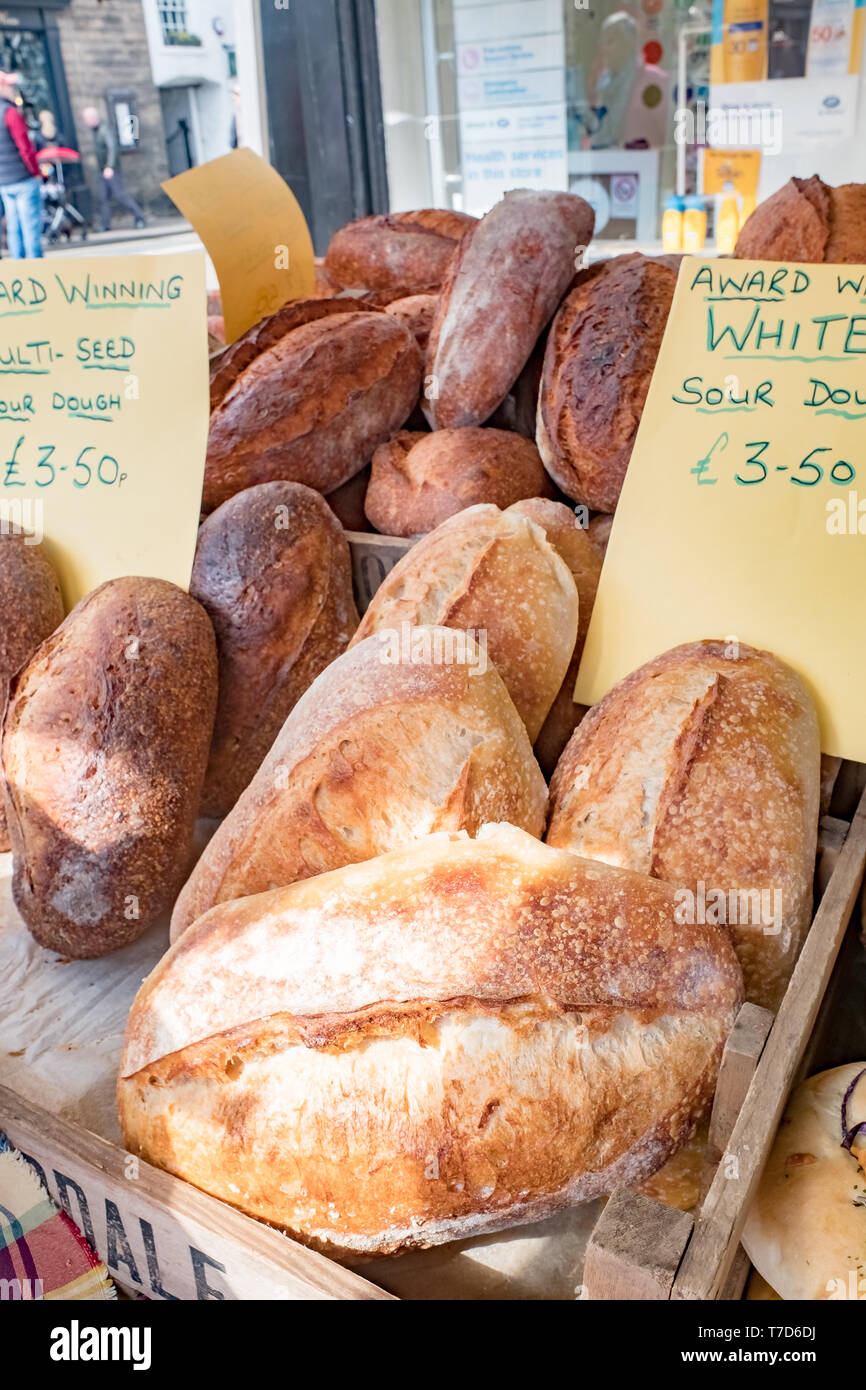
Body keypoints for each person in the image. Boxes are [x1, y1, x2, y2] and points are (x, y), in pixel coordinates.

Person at [80, 104, 145, 231]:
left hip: (110, 169)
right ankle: (105, 224)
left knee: (121, 195)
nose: (85, 122)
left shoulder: (104, 129)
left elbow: (112, 148)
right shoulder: (96, 130)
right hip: (102, 169)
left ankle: (139, 217)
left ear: (92, 118)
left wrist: (109, 166)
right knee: (102, 198)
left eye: (86, 119)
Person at [0, 71, 43, 258]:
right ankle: (36, 268)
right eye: (9, 86)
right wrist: (35, 171)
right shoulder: (10, 113)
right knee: (30, 225)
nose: (12, 89)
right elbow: (25, 147)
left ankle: (18, 266)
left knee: (13, 225)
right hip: (22, 177)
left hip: (4, 181)